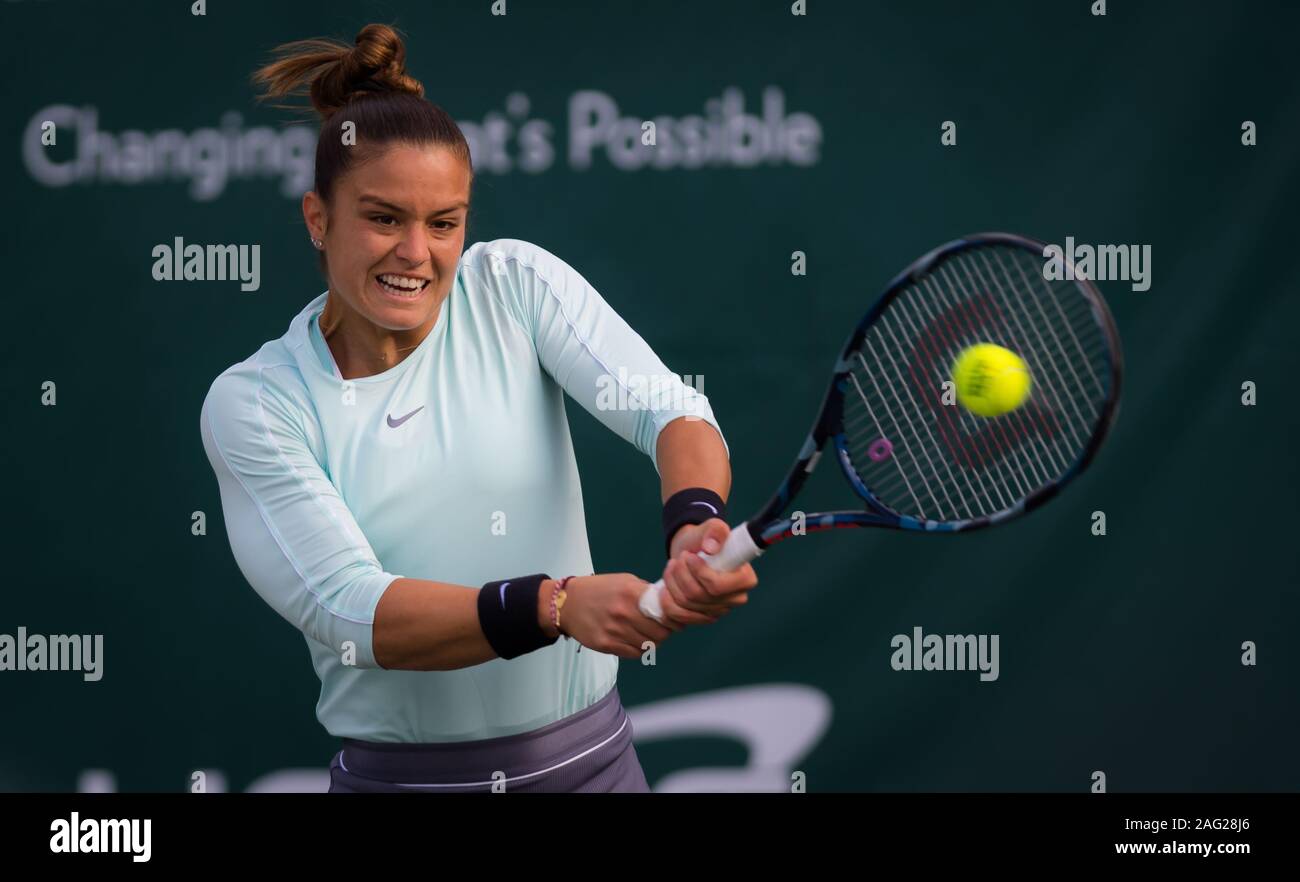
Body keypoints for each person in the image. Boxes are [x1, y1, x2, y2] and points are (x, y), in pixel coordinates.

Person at [199, 23, 757, 793]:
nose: (416, 253)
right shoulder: (255, 404)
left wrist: (694, 522)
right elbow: (356, 614)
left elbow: (670, 411)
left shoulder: (514, 285)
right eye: (384, 218)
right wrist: (555, 606)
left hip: (594, 770)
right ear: (318, 219)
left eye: (444, 222)